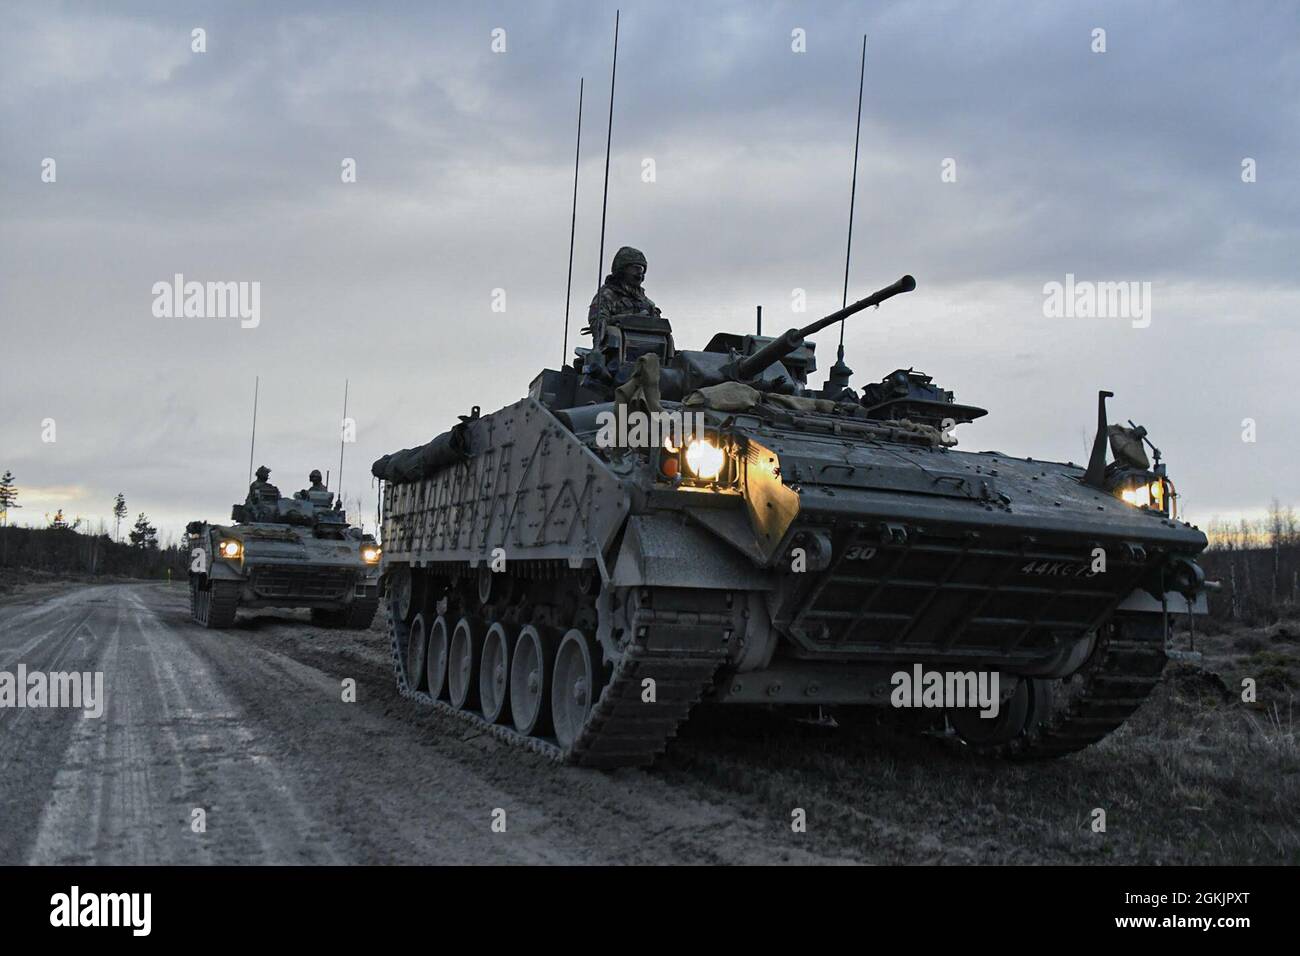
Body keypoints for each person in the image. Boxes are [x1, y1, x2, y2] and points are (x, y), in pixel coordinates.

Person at [586, 246, 661, 347]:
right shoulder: (607, 295)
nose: (639, 273)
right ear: (622, 269)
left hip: (646, 354)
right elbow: (597, 323)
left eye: (641, 269)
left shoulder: (647, 303)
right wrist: (624, 320)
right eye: (635, 268)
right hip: (613, 354)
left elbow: (660, 329)